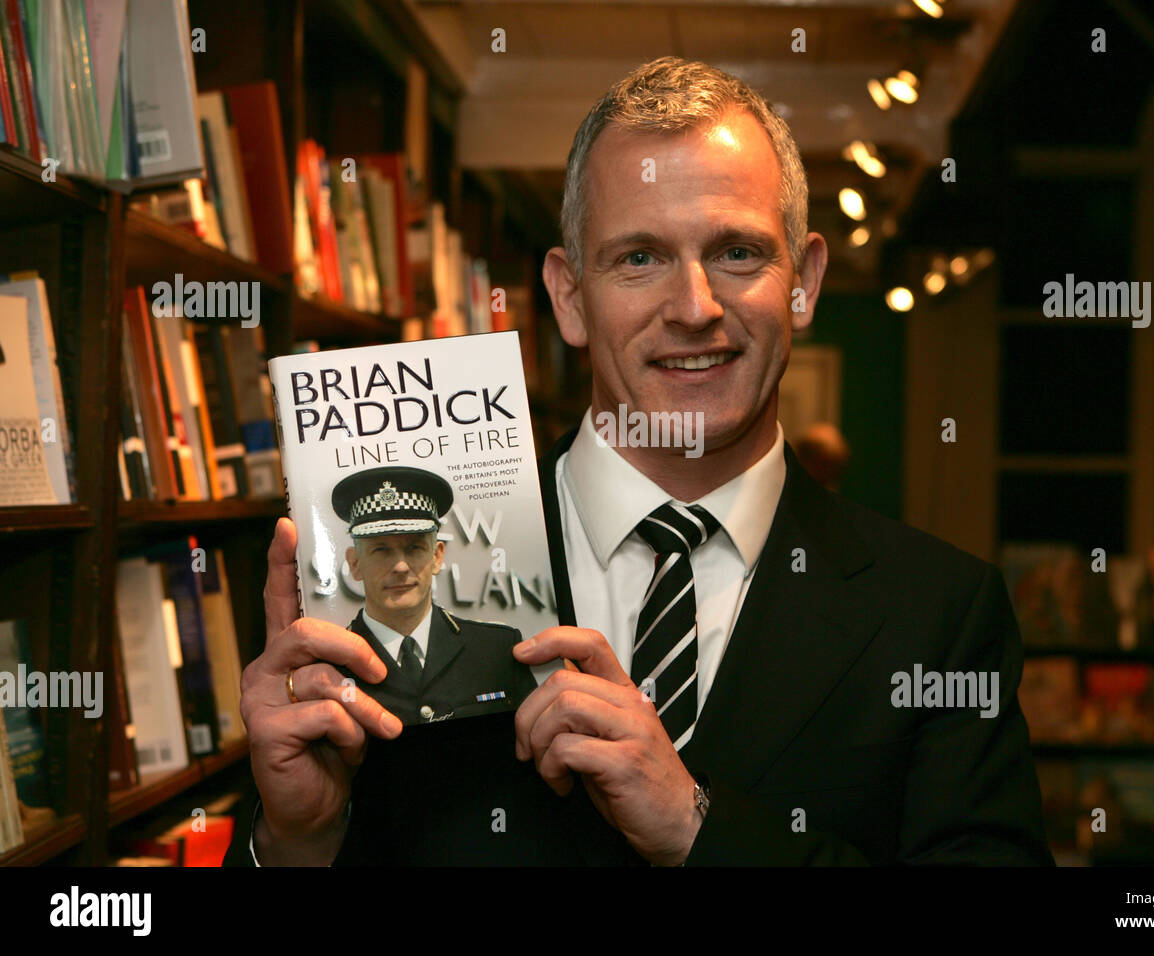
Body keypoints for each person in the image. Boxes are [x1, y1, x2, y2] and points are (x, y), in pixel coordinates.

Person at [229, 55, 1052, 866]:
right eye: (639, 258)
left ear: (802, 282)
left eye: (737, 253)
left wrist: (697, 828)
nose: (694, 309)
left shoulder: (940, 617)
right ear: (568, 297)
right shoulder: (396, 581)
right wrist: (297, 840)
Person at [328, 466, 537, 726]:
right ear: (355, 563)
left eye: (414, 547)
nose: (401, 567)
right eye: (381, 550)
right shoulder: (329, 670)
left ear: (437, 556)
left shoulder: (496, 650)